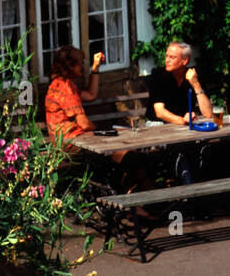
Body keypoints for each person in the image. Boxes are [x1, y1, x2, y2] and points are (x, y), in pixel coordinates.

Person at [45, 45, 157, 212]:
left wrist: (95, 69)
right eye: (80, 63)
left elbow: (91, 95)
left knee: (127, 156)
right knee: (128, 157)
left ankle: (136, 201)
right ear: (69, 65)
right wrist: (102, 131)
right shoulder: (65, 87)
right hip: (72, 144)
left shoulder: (61, 84)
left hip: (71, 142)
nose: (82, 67)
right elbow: (84, 124)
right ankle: (136, 202)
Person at [148, 40, 216, 210]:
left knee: (207, 149)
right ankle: (194, 202)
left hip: (185, 130)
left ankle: (198, 197)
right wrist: (183, 121)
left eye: (172, 57)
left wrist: (196, 84)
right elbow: (159, 112)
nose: (167, 60)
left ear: (184, 61)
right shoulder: (158, 76)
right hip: (157, 126)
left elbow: (208, 114)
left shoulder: (192, 76)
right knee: (184, 149)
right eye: (166, 56)